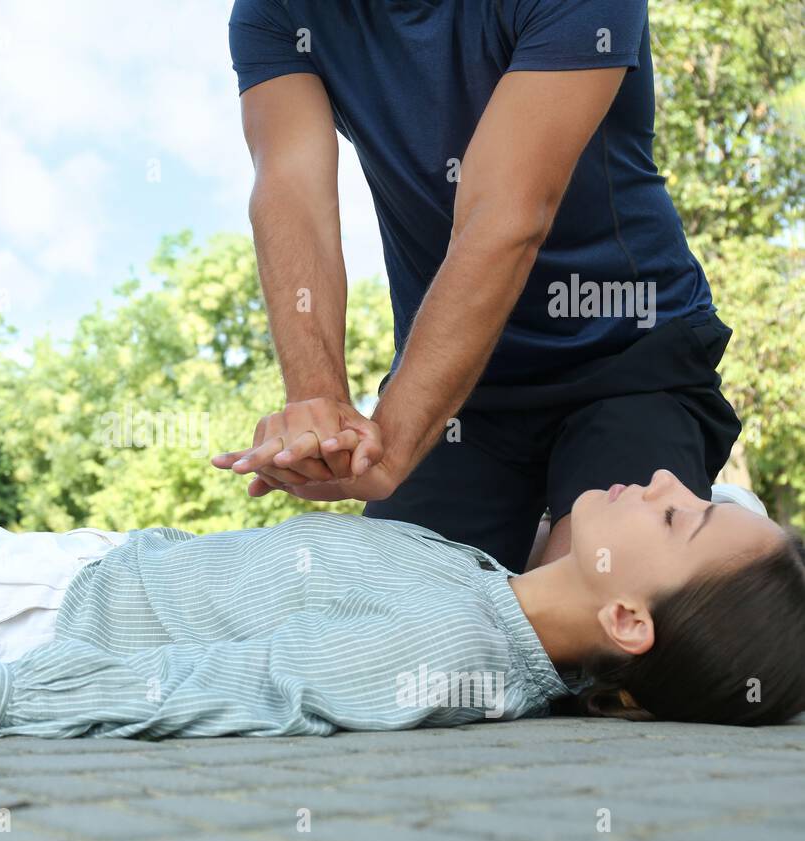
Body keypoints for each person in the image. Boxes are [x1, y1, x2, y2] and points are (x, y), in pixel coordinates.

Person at [0, 469, 802, 739]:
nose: (670, 481)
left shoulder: (454, 646)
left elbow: (202, 692)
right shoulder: (482, 592)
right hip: (73, 573)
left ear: (630, 622)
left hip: (39, 621)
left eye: (683, 520)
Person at [215, 0, 742, 575]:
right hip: (460, 391)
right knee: (400, 616)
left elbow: (504, 216)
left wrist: (392, 444)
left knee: (596, 597)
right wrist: (321, 409)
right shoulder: (273, 12)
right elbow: (291, 192)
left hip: (632, 353)